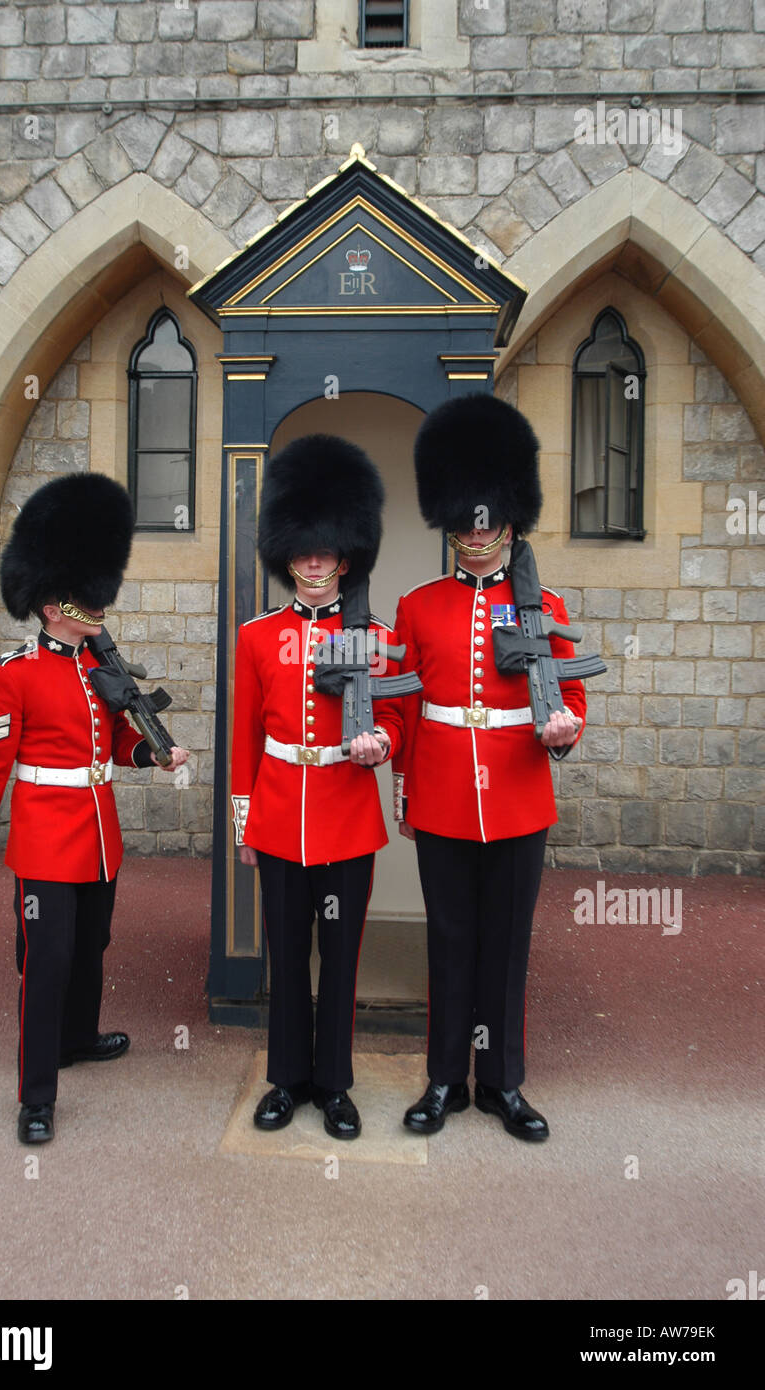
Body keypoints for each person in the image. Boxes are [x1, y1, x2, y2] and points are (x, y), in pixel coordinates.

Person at [0, 473, 188, 1144]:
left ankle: (77, 1037)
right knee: (47, 959)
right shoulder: (13, 675)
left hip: (99, 837)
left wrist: (153, 755)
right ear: (57, 604)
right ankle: (36, 1094)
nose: (101, 605)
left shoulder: (96, 669)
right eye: (90, 596)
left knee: (91, 947)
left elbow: (112, 743)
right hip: (45, 840)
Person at [393, 394, 587, 1142]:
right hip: (443, 793)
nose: (476, 538)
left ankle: (502, 1082)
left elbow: (566, 694)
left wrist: (566, 730)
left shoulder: (544, 605)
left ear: (508, 522)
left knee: (507, 944)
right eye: (464, 527)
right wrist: (404, 787)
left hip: (516, 793)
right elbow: (405, 706)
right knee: (448, 938)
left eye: (487, 525)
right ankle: (445, 1078)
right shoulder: (419, 605)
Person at [230, 435, 405, 1141]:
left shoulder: (374, 632)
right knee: (286, 952)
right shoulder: (257, 636)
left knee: (340, 958)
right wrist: (244, 821)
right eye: (303, 550)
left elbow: (394, 711)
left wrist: (380, 744)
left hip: (345, 816)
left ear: (344, 556)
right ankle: (286, 1080)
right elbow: (245, 735)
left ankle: (334, 1084)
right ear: (288, 553)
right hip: (276, 817)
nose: (312, 561)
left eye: (325, 551)